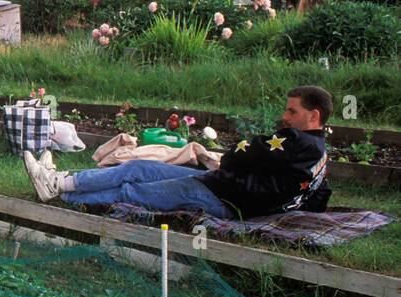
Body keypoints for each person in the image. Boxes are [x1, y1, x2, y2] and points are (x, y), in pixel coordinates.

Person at [23, 86, 332, 219]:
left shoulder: (297, 141)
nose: (285, 118)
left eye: (292, 112)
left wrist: (233, 164)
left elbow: (241, 153)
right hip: (217, 183)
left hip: (225, 198)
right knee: (139, 167)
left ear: (314, 116)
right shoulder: (319, 153)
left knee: (133, 191)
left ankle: (61, 194)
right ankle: (58, 182)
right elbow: (320, 195)